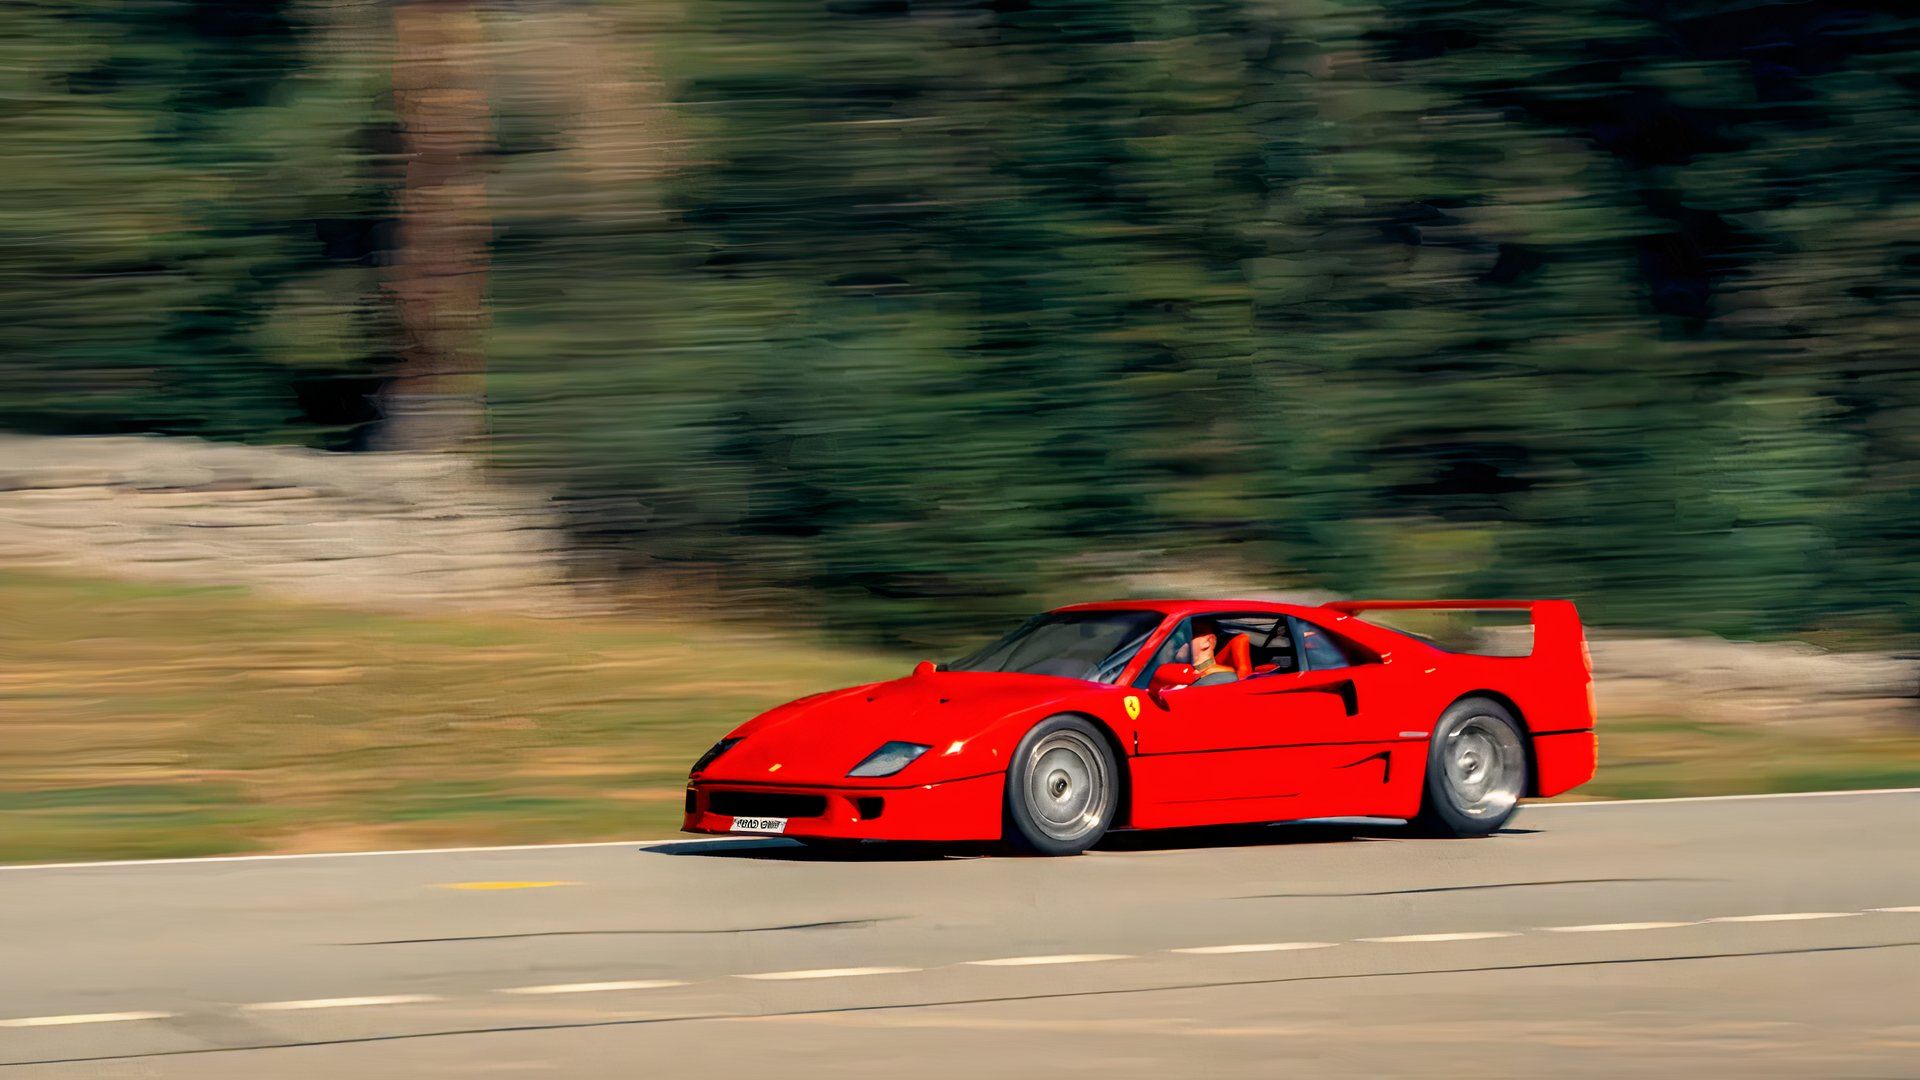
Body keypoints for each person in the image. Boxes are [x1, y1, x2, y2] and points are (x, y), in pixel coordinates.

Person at [1187, 619, 1240, 686]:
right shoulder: (1185, 673)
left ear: (1209, 641)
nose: (1185, 637)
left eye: (1194, 632)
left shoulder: (1224, 679)